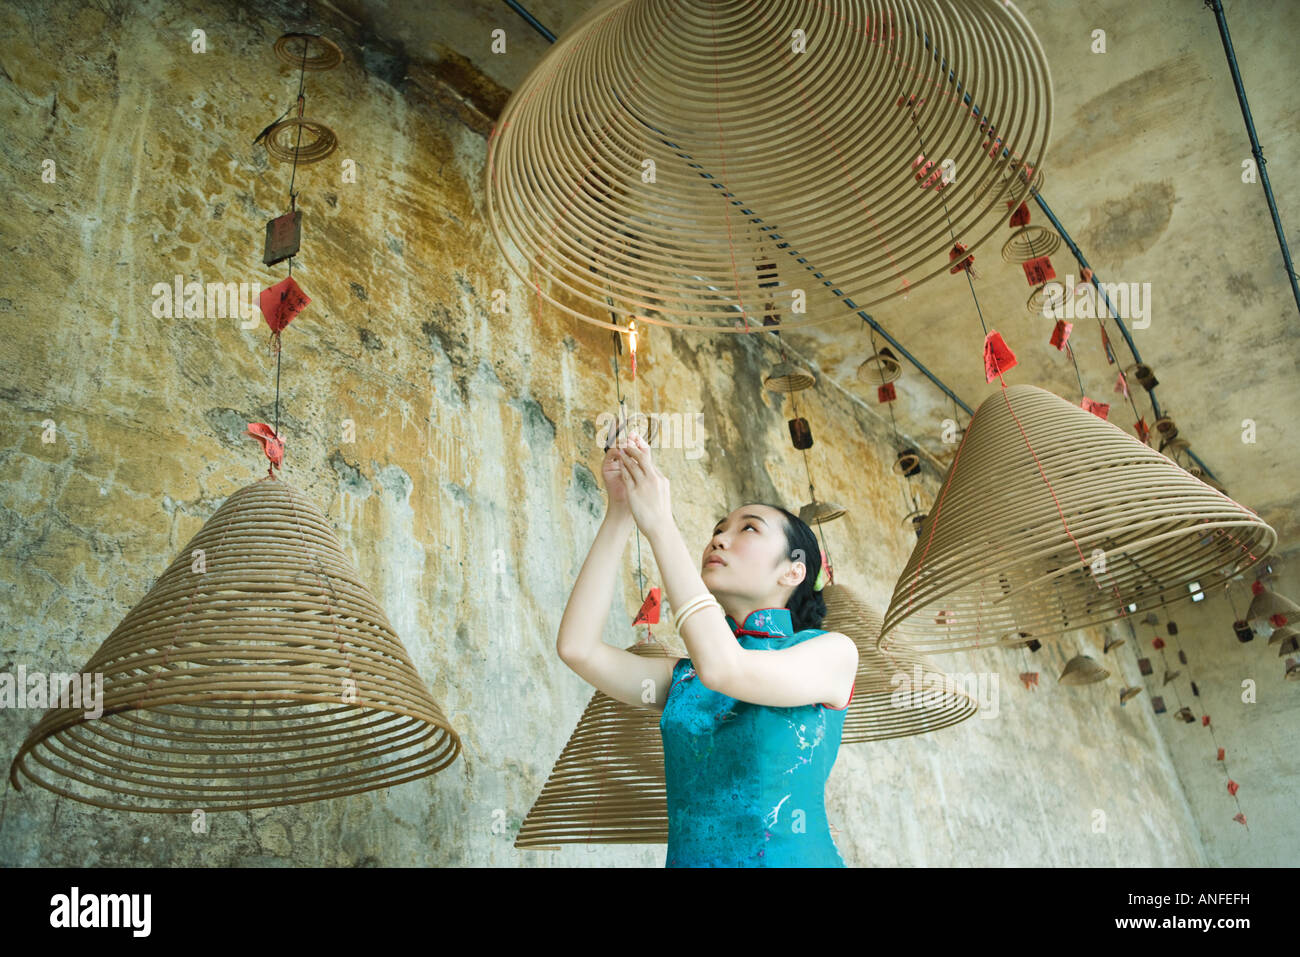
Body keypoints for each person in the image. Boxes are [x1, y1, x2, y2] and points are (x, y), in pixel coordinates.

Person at [556, 431, 858, 867]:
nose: (718, 539)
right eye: (717, 530)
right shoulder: (685, 679)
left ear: (794, 571)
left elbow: (726, 668)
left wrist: (660, 523)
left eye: (747, 528)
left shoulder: (831, 653)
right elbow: (578, 648)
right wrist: (621, 509)